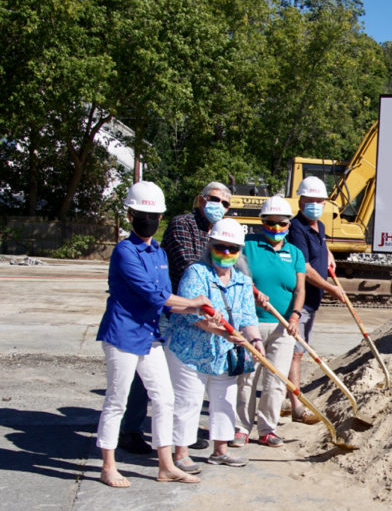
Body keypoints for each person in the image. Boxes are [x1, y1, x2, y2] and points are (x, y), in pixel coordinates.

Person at [95, 181, 212, 487]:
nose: (148, 219)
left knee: (164, 398)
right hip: (122, 335)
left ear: (160, 217)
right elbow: (152, 295)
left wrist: (197, 314)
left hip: (150, 335)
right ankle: (108, 466)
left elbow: (164, 295)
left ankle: (166, 465)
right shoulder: (124, 252)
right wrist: (194, 304)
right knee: (116, 401)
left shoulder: (158, 252)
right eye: (141, 214)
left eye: (153, 215)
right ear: (130, 215)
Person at [118, 182, 233, 454]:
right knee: (148, 372)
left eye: (225, 203)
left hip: (194, 310)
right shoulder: (183, 224)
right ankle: (131, 429)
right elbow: (187, 264)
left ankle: (182, 433)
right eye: (214, 199)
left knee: (185, 375)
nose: (219, 206)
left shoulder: (216, 232)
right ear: (201, 200)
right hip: (170, 308)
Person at [166, 219, 261, 471]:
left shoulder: (242, 280)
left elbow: (249, 318)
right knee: (189, 401)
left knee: (225, 400)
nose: (227, 253)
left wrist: (256, 340)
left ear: (240, 251)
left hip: (223, 354)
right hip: (189, 352)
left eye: (233, 248)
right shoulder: (196, 273)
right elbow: (194, 315)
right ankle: (181, 453)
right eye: (221, 247)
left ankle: (221, 450)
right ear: (210, 246)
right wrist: (224, 332)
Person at [233, 196, 306, 447]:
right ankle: (241, 428)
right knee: (247, 379)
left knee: (275, 381)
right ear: (262, 222)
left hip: (283, 327)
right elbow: (235, 274)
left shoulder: (294, 252)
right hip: (251, 324)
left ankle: (267, 429)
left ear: (288, 225)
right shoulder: (248, 245)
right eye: (270, 223)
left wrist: (295, 316)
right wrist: (251, 290)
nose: (275, 229)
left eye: (281, 224)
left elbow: (300, 290)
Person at [284, 176, 348, 423]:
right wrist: (331, 288)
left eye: (320, 201)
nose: (316, 205)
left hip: (312, 301)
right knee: (296, 352)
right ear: (301, 203)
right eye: (311, 201)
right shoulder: (295, 229)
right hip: (299, 301)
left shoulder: (318, 226)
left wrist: (329, 254)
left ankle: (288, 397)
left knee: (298, 351)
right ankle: (296, 405)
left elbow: (321, 246)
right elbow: (305, 268)